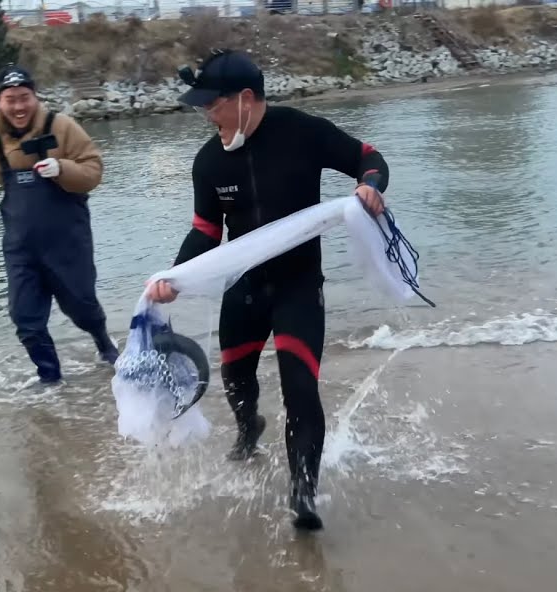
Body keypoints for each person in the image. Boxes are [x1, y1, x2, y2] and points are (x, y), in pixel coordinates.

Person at [144, 49, 389, 532]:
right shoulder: (209, 161)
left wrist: (370, 186)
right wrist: (174, 276)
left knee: (301, 387)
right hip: (245, 287)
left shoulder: (303, 132)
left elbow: (367, 158)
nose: (207, 114)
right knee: (236, 380)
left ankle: (303, 492)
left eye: (213, 104)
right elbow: (205, 232)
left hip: (298, 285)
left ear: (246, 99)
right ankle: (248, 426)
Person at [0, 64, 119, 385]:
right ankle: (51, 380)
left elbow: (93, 171)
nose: (18, 107)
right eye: (10, 99)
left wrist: (63, 169)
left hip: (68, 243)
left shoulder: (63, 126)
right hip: (21, 250)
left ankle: (104, 343)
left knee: (83, 308)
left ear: (34, 96)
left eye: (24, 97)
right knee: (25, 319)